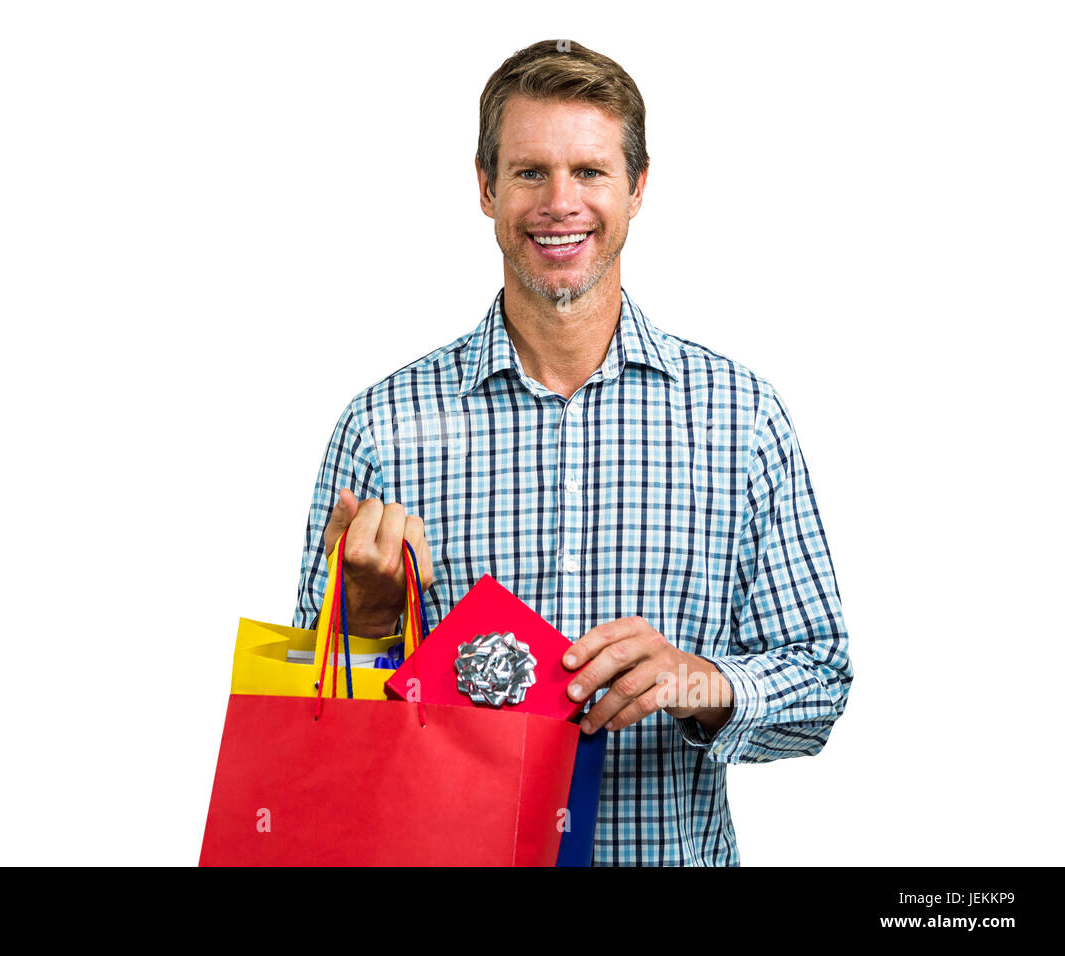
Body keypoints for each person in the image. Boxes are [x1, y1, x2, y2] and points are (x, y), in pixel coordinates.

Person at [292, 38, 852, 866]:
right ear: (486, 188)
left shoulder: (740, 418)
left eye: (589, 171)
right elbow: (314, 719)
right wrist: (368, 623)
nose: (560, 203)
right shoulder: (382, 427)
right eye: (530, 172)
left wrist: (698, 681)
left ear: (637, 187)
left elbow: (821, 682)